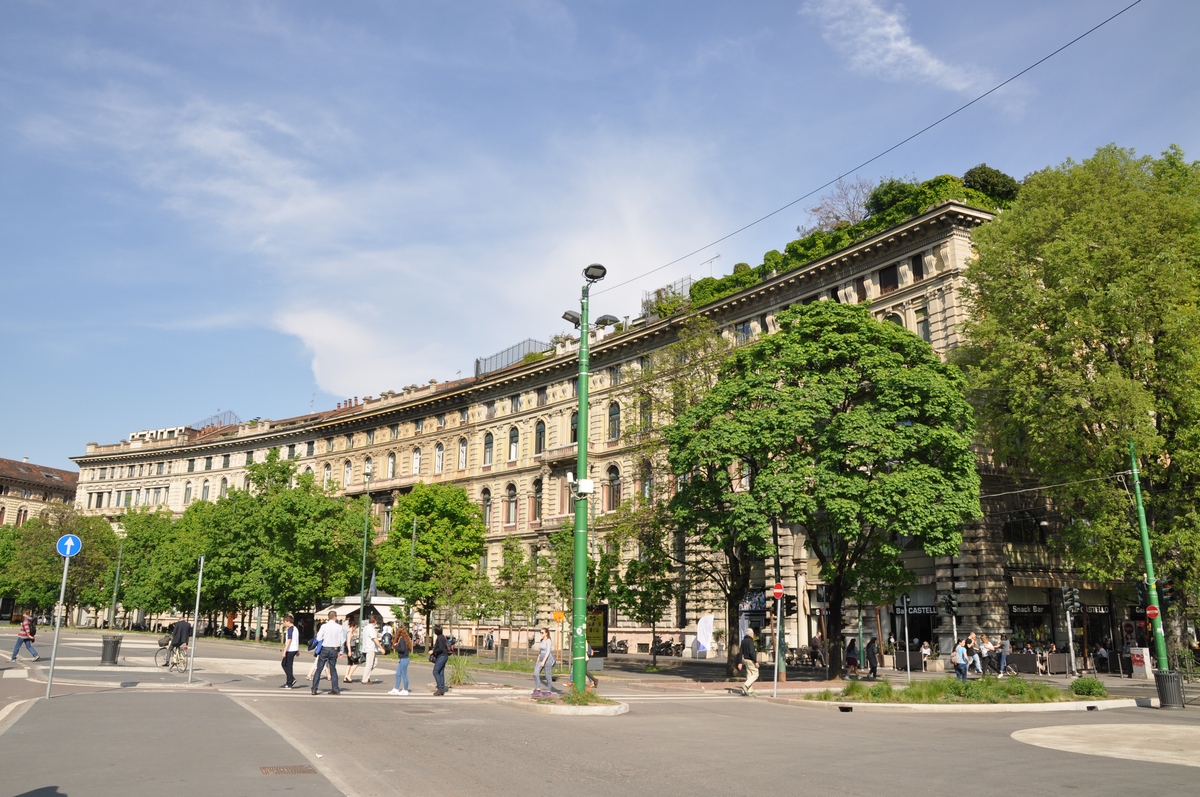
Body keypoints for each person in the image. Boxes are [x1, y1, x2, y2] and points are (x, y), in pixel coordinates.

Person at [311, 610, 347, 695]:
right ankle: (335, 689)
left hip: (325, 648)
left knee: (319, 669)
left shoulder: (324, 626)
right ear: (335, 617)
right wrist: (341, 651)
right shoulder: (339, 627)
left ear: (328, 617)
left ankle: (314, 689)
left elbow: (319, 638)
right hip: (334, 649)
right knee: (333, 669)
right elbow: (342, 641)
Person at [388, 626, 412, 695]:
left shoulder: (402, 639)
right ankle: (396, 688)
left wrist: (395, 646)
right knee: (398, 674)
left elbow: (402, 649)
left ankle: (405, 690)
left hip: (404, 659)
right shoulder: (405, 639)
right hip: (403, 659)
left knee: (404, 675)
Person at [360, 617, 383, 684]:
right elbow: (374, 639)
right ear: (374, 621)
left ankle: (367, 676)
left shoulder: (366, 627)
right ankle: (365, 679)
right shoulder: (371, 629)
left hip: (367, 647)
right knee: (369, 664)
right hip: (370, 648)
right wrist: (381, 648)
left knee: (374, 662)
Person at [533, 627, 555, 698]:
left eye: (542, 632)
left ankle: (549, 691)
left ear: (546, 633)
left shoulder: (548, 640)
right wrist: (538, 659)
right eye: (540, 632)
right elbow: (540, 651)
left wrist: (544, 661)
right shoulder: (541, 640)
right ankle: (538, 690)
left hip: (547, 659)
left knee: (548, 676)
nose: (541, 634)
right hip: (541, 658)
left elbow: (548, 652)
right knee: (535, 673)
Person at [737, 627, 759, 697]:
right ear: (751, 634)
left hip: (745, 659)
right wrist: (755, 661)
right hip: (750, 659)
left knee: (749, 674)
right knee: (756, 673)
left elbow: (740, 652)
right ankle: (746, 685)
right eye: (753, 633)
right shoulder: (750, 641)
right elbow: (752, 652)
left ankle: (750, 690)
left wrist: (740, 662)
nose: (753, 635)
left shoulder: (743, 641)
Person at [280, 614, 300, 689]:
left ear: (288, 621)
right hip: (294, 649)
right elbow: (296, 640)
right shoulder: (295, 628)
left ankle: (289, 683)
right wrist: (297, 650)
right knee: (285, 664)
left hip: (290, 650)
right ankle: (291, 679)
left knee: (287, 666)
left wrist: (284, 651)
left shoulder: (290, 629)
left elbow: (289, 640)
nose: (284, 624)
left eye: (285, 622)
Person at [431, 625, 450, 696]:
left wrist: (433, 651)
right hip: (444, 656)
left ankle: (440, 689)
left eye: (434, 630)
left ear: (436, 631)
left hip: (441, 656)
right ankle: (441, 689)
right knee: (441, 673)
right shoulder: (442, 637)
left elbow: (440, 648)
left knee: (435, 672)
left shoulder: (440, 638)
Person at [343, 618, 361, 683]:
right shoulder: (349, 633)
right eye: (355, 627)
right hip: (351, 649)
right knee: (356, 663)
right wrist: (350, 651)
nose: (355, 628)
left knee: (349, 664)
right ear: (353, 626)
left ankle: (345, 677)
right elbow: (348, 642)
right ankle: (349, 675)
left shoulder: (350, 632)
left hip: (351, 649)